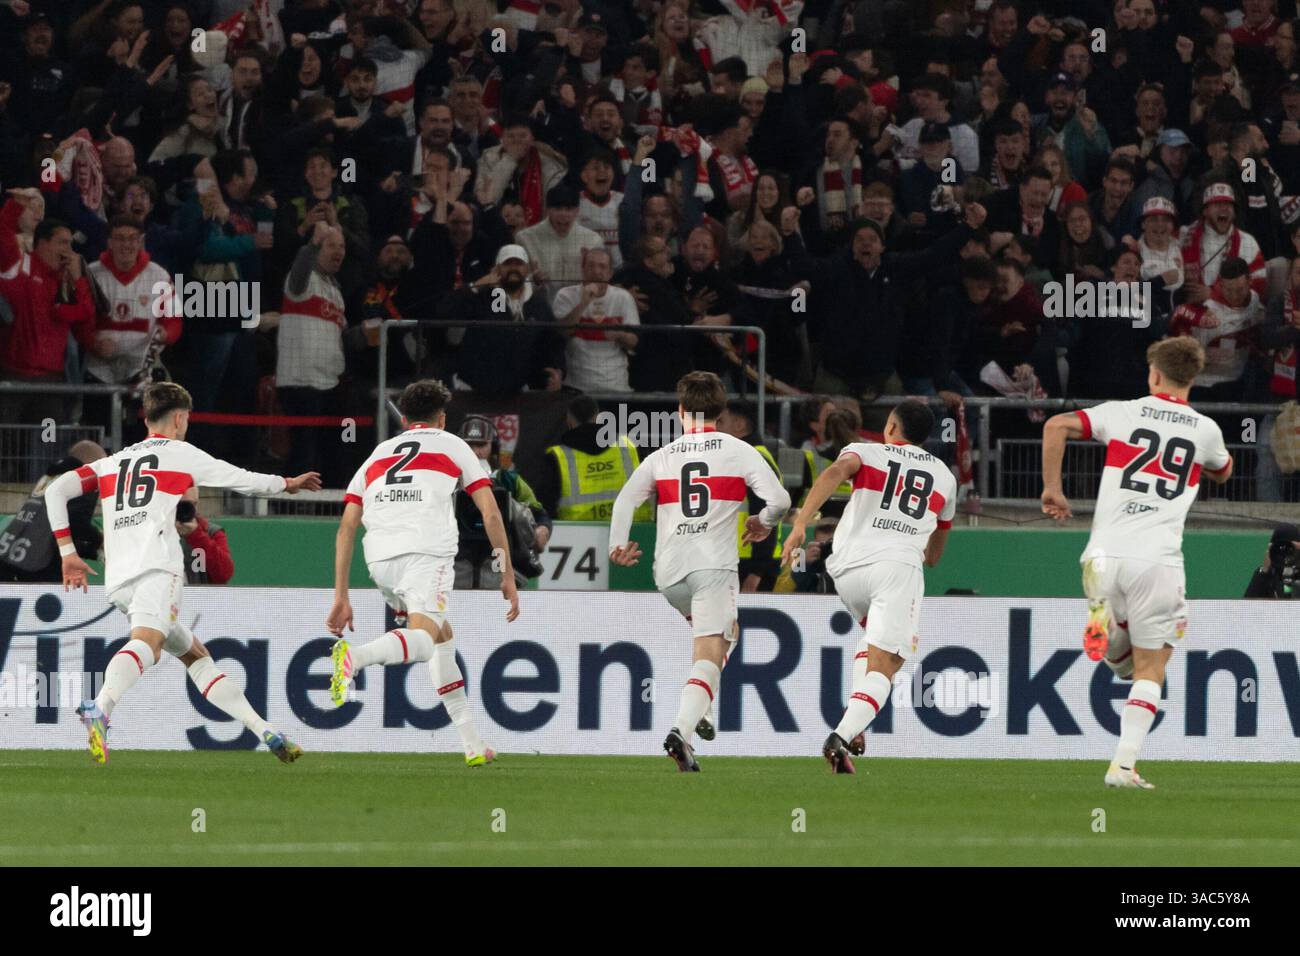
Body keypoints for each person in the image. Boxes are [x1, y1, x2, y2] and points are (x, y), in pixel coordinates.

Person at [47, 383, 321, 766]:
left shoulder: (113, 462)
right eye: (187, 419)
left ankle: (265, 730)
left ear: (147, 417)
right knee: (149, 643)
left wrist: (68, 554)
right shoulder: (179, 454)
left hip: (120, 576)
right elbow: (238, 477)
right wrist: (285, 484)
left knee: (195, 654)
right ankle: (101, 705)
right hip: (157, 567)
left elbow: (56, 491)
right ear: (179, 419)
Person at [1040, 338, 1234, 789]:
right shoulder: (1204, 429)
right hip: (1158, 562)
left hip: (1101, 556)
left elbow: (1055, 426)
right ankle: (1122, 767)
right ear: (1193, 378)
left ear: (1155, 374)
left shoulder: (1122, 412)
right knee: (1149, 669)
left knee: (1122, 663)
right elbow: (1224, 471)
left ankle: (1104, 629)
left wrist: (1053, 487)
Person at [326, 379, 516, 767]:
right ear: (442, 419)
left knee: (442, 636)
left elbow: (346, 527)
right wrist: (507, 571)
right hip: (425, 552)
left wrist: (341, 595)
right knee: (425, 641)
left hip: (379, 559)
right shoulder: (454, 445)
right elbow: (491, 512)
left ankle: (472, 743)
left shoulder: (378, 453)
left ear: (405, 420)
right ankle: (355, 659)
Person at [608, 371, 791, 772]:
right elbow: (780, 499)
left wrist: (617, 546)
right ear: (721, 413)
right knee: (709, 650)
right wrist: (763, 520)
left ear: (679, 412)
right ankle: (681, 730)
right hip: (713, 567)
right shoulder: (739, 450)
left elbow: (625, 501)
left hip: (669, 574)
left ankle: (703, 712)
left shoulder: (662, 456)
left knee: (729, 635)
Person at [782, 399, 957, 774]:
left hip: (845, 570)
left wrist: (800, 523)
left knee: (871, 645)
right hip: (895, 569)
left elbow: (834, 473)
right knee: (887, 664)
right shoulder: (944, 477)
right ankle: (842, 735)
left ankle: (856, 723)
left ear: (891, 428)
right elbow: (933, 557)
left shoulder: (866, 450)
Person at [0, 441, 105, 583]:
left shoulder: (49, 478)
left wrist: (92, 551)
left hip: (10, 555)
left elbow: (51, 531)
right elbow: (75, 523)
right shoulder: (82, 480)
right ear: (93, 463)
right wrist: (100, 540)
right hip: (38, 565)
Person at [1244, 524, 1300, 598]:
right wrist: (1264, 570)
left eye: (1290, 548)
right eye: (1280, 548)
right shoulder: (1268, 574)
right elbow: (1247, 605)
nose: (1285, 552)